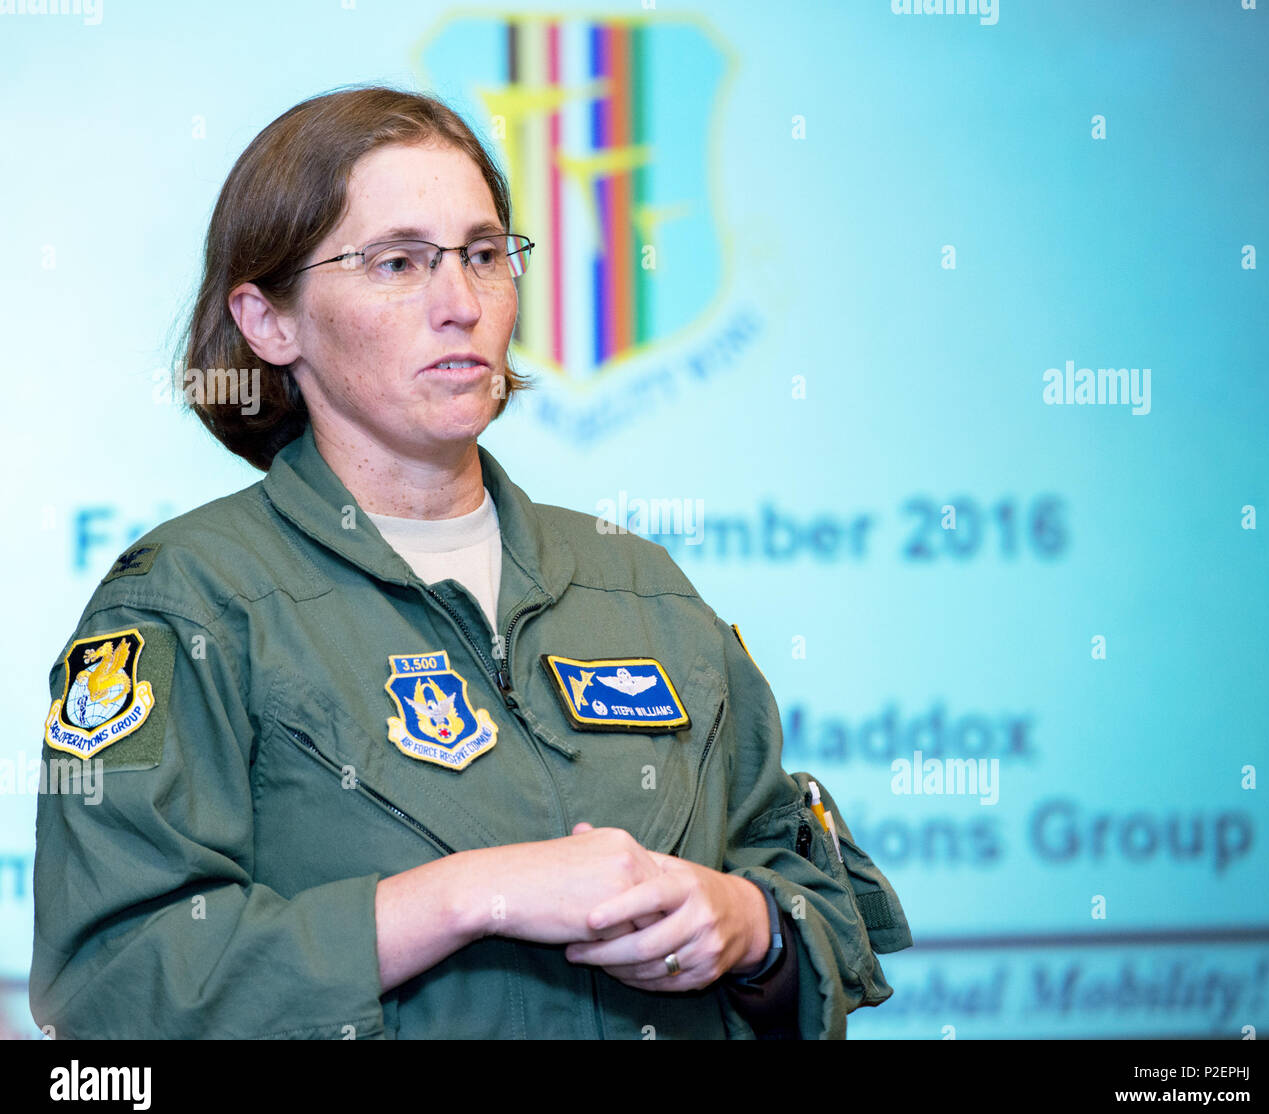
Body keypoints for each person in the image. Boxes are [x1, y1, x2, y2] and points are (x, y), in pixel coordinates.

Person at [29, 85, 911, 1040]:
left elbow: (815, 907)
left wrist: (751, 930)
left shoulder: (637, 583)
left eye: (486, 256)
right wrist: (468, 896)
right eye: (398, 262)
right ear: (269, 323)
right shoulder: (190, 603)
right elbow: (111, 985)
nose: (461, 305)